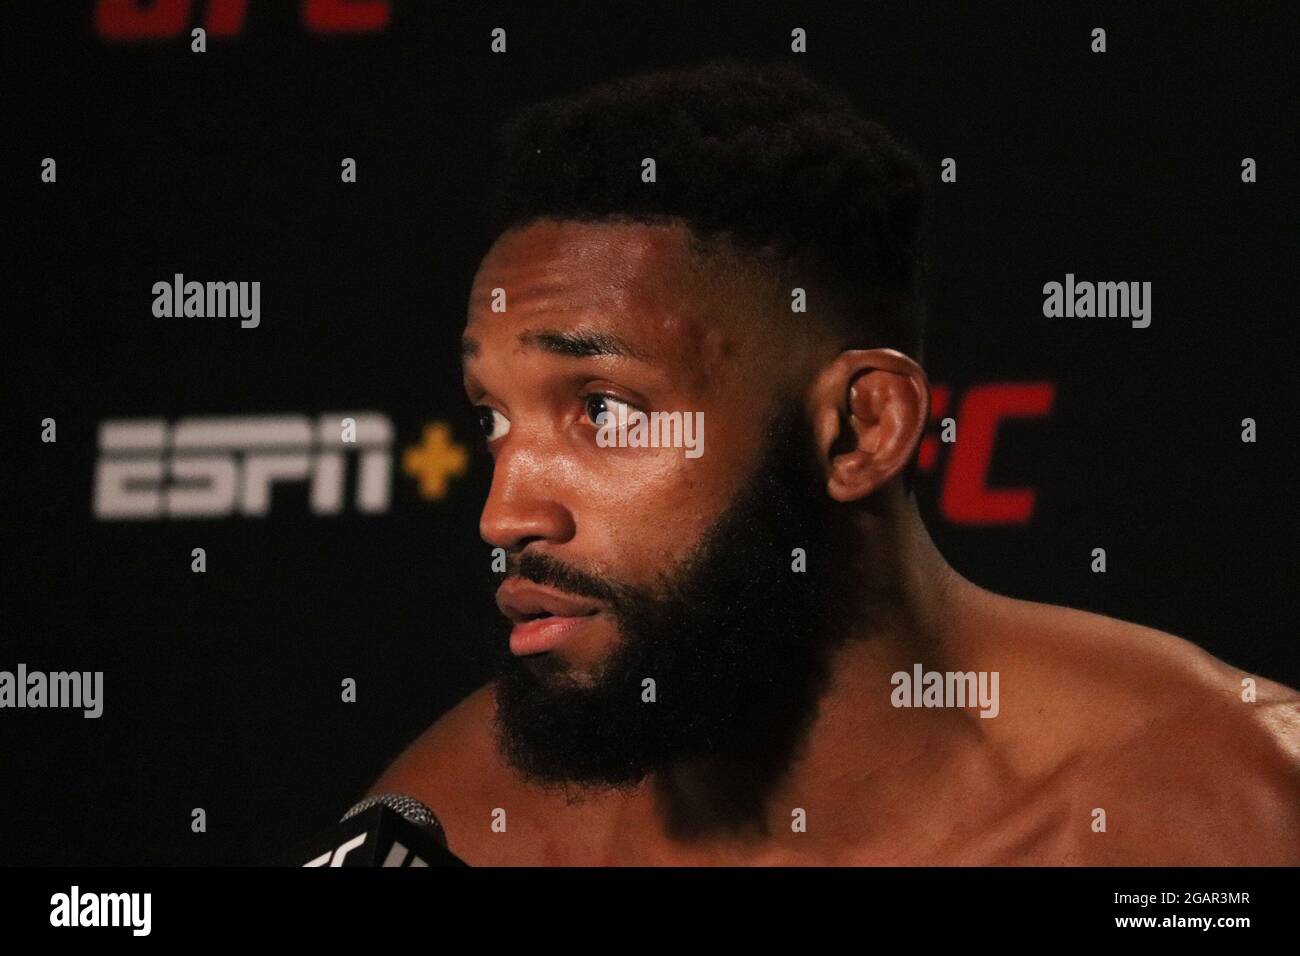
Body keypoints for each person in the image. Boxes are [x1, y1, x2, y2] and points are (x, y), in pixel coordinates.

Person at [370, 60, 1299, 865]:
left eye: (603, 410)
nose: (504, 518)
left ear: (863, 430)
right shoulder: (459, 829)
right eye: (493, 417)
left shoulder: (1219, 817)